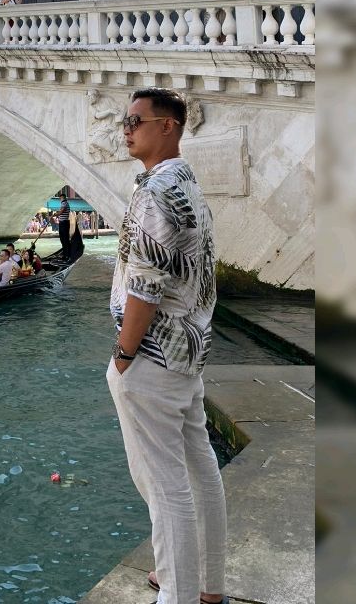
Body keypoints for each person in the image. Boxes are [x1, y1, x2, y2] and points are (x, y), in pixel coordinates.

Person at [107, 87, 227, 604]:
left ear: (168, 127)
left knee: (165, 485)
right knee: (200, 471)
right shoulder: (187, 186)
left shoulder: (158, 191)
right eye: (124, 120)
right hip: (186, 355)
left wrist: (124, 355)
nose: (126, 128)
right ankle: (207, 585)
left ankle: (175, 593)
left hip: (153, 357)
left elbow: (145, 285)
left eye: (135, 119)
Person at [57, 192, 71, 259]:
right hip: (63, 223)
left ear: (62, 198)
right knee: (63, 239)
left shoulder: (64, 203)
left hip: (64, 223)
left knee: (64, 239)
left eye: (60, 198)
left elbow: (61, 211)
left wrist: (55, 214)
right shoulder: (65, 203)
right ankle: (65, 254)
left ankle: (66, 255)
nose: (60, 199)